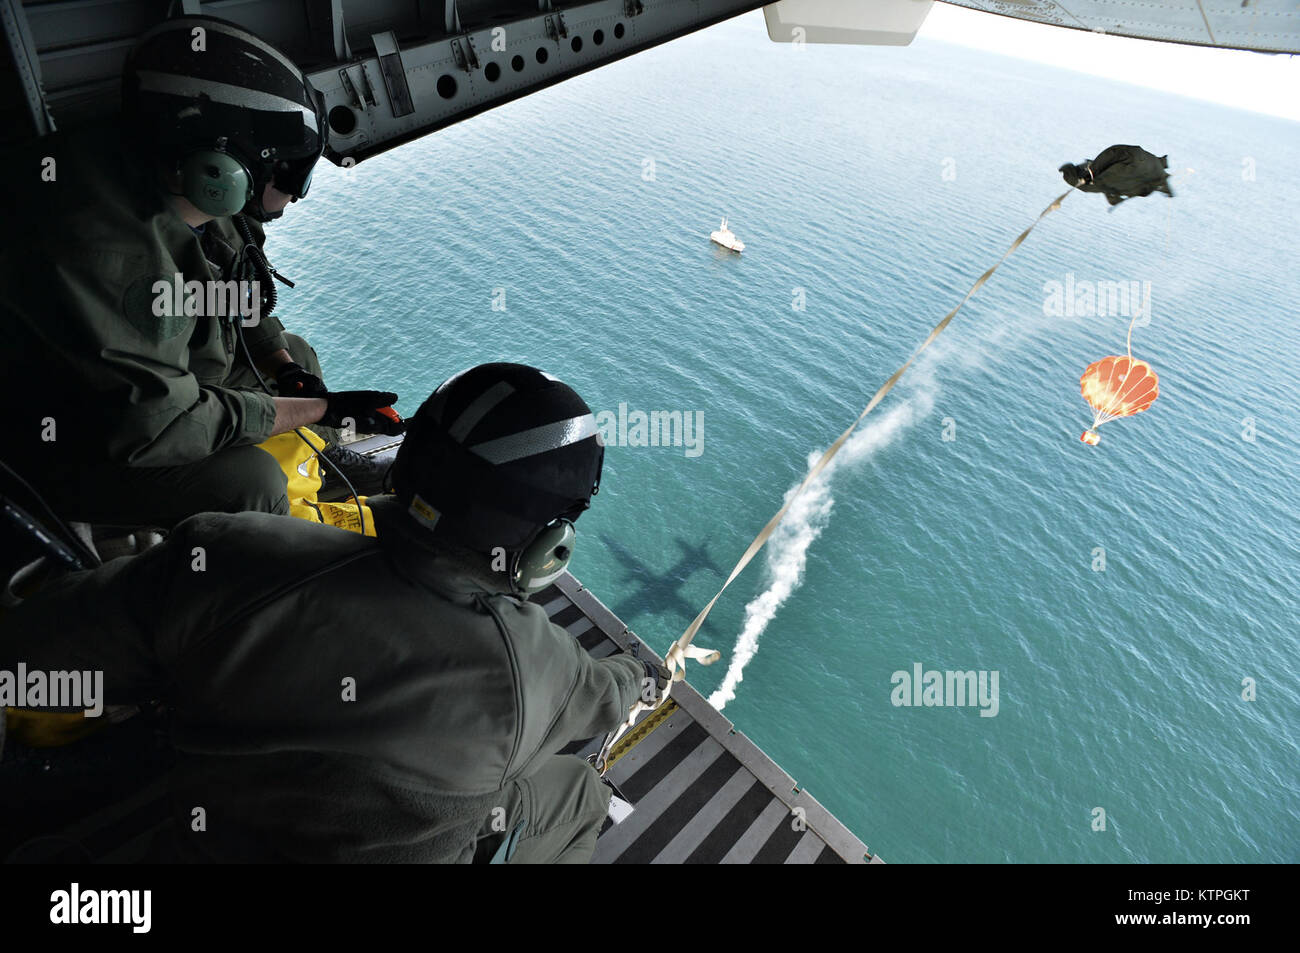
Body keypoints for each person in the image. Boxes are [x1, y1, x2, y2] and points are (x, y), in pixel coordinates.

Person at [0, 364, 666, 863]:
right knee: (580, 791)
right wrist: (639, 678)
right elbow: (603, 694)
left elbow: (31, 650)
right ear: (549, 545)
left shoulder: (226, 554)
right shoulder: (538, 668)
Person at [0, 14, 402, 529]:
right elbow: (161, 426)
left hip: (169, 380)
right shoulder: (113, 257)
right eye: (290, 174)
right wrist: (320, 411)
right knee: (251, 483)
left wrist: (287, 372)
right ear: (220, 172)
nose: (296, 193)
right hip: (77, 442)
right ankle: (282, 562)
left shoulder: (177, 178)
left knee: (295, 355)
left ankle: (312, 464)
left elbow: (241, 295)